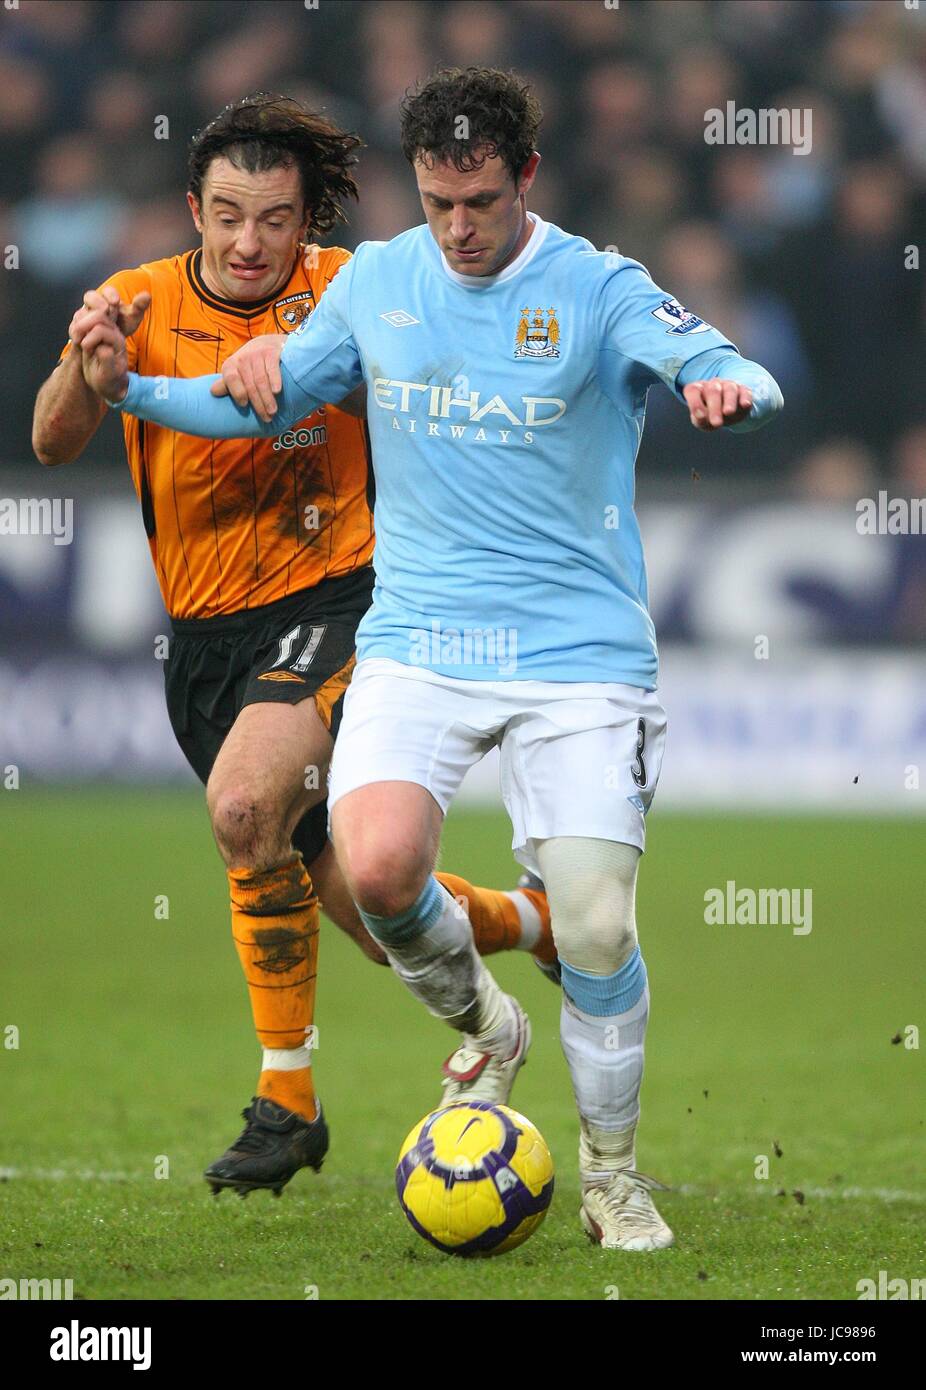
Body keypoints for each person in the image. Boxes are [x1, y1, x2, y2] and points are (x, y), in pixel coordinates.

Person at [73, 68, 783, 1250]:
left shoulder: (598, 286)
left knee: (598, 927)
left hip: (576, 653)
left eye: (482, 203)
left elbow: (738, 368)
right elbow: (255, 401)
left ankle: (612, 1175)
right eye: (439, 200)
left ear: (526, 181)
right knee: (382, 868)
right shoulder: (384, 282)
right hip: (417, 638)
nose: (458, 228)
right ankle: (491, 1029)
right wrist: (136, 387)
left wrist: (725, 390)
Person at [33, 91, 555, 1201]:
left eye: (273, 220)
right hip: (208, 645)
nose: (249, 242)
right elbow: (49, 440)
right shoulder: (137, 299)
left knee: (238, 806)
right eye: (226, 216)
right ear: (194, 209)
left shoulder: (355, 289)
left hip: (347, 597)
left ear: (302, 220)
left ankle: (288, 1099)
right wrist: (88, 364)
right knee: (374, 910)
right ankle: (539, 922)